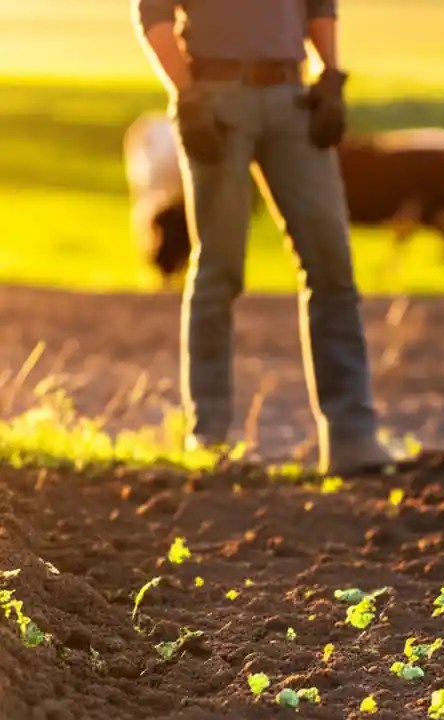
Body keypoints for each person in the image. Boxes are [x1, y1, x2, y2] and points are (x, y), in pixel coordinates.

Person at [133, 0, 397, 476]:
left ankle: (353, 439)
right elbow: (152, 13)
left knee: (331, 267)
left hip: (293, 100)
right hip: (214, 101)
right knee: (220, 267)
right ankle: (209, 439)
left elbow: (318, 5)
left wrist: (331, 76)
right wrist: (186, 95)